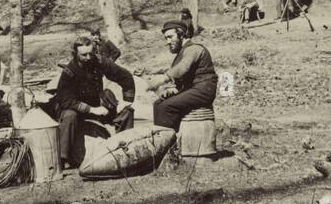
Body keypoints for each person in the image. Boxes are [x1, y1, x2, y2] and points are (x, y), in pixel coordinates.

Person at [47, 35, 136, 169]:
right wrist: (91, 109)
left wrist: (126, 101)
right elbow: (65, 100)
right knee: (69, 116)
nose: (88, 58)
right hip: (75, 108)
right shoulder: (70, 71)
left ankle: (126, 149)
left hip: (96, 105)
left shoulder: (100, 61)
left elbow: (125, 76)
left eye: (91, 53)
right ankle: (61, 159)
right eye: (84, 55)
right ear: (75, 54)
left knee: (126, 112)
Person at [146, 21, 218, 132]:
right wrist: (174, 90)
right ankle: (172, 137)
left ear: (182, 34)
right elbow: (183, 78)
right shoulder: (182, 53)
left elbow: (182, 68)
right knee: (158, 104)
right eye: (166, 38)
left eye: (170, 37)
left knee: (165, 107)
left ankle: (168, 142)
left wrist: (162, 79)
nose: (167, 42)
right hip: (194, 90)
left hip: (203, 90)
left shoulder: (194, 48)